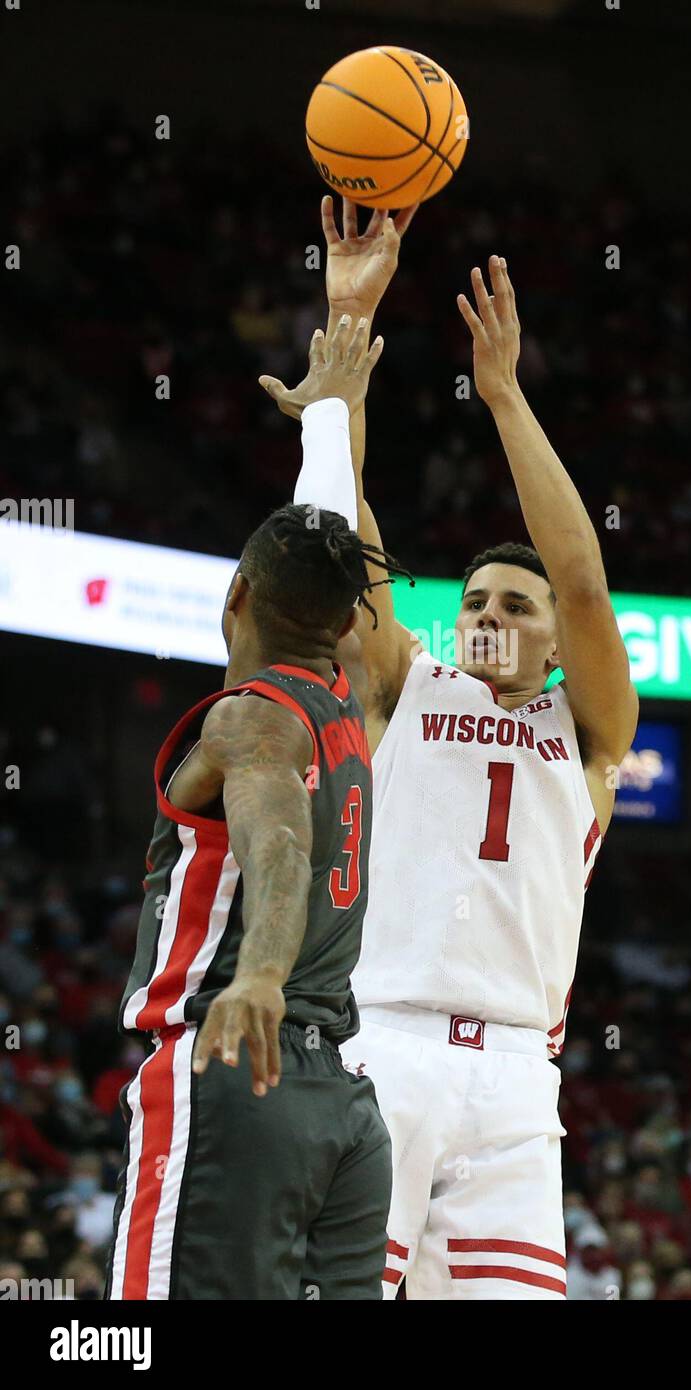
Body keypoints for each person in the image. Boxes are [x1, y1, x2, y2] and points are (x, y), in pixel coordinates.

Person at [261, 198, 638, 1299]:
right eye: (476, 596)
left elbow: (581, 579)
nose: (495, 611)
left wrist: (505, 394)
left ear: (556, 639)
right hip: (385, 1048)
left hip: (519, 1082)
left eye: (517, 604)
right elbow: (340, 542)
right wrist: (341, 362)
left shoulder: (589, 731)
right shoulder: (405, 686)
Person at [107, 319, 410, 1300]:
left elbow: (275, 842)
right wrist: (328, 411)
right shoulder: (354, 697)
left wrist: (265, 973)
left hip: (237, 1067)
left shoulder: (250, 721)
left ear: (235, 595)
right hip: (342, 1113)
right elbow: (326, 545)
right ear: (345, 621)